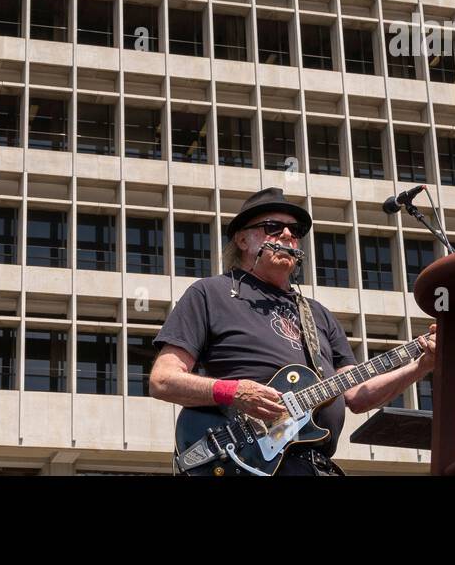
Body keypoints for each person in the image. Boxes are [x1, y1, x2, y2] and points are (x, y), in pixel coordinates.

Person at [150, 187, 436, 475]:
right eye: (273, 227)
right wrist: (235, 391)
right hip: (242, 460)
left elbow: (357, 395)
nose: (287, 235)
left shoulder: (317, 313)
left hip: (314, 465)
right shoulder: (211, 293)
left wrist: (421, 365)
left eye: (295, 230)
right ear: (242, 239)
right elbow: (163, 380)